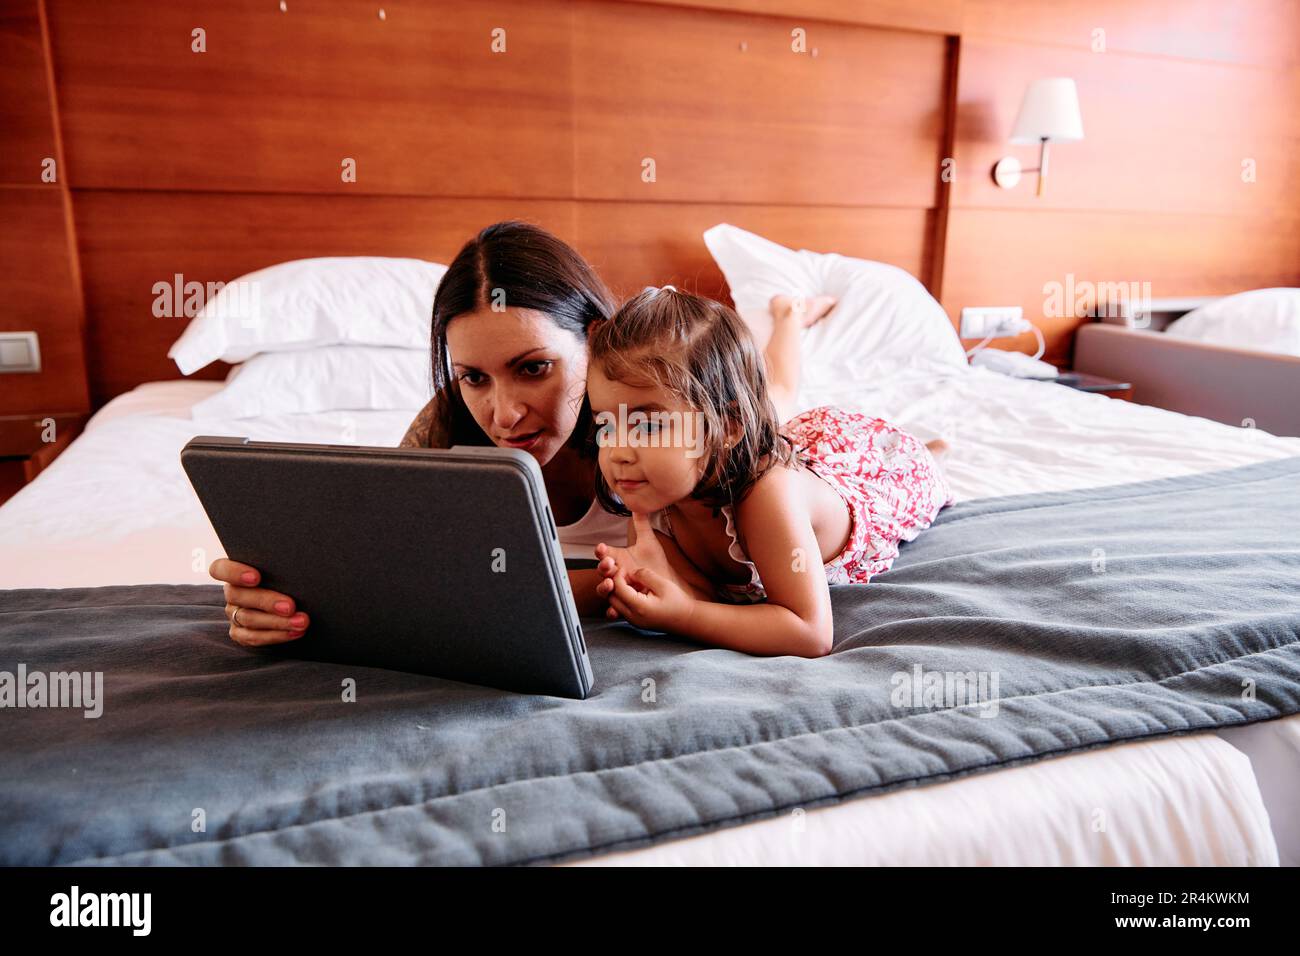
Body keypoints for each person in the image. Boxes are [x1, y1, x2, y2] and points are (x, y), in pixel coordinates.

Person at [209, 222, 834, 647]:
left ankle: (785, 315)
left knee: (779, 392)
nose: (502, 414)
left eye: (534, 368)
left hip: (777, 427)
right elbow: (381, 556)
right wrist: (284, 595)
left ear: (594, 342)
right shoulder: (446, 426)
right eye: (473, 377)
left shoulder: (665, 430)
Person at [585, 286, 953, 657]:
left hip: (863, 464)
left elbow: (811, 634)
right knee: (777, 394)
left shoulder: (767, 495)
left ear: (728, 427)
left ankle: (791, 314)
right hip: (757, 440)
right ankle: (790, 316)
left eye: (649, 426)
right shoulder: (652, 502)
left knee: (790, 400)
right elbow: (711, 598)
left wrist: (684, 615)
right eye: (606, 424)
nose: (617, 452)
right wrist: (649, 589)